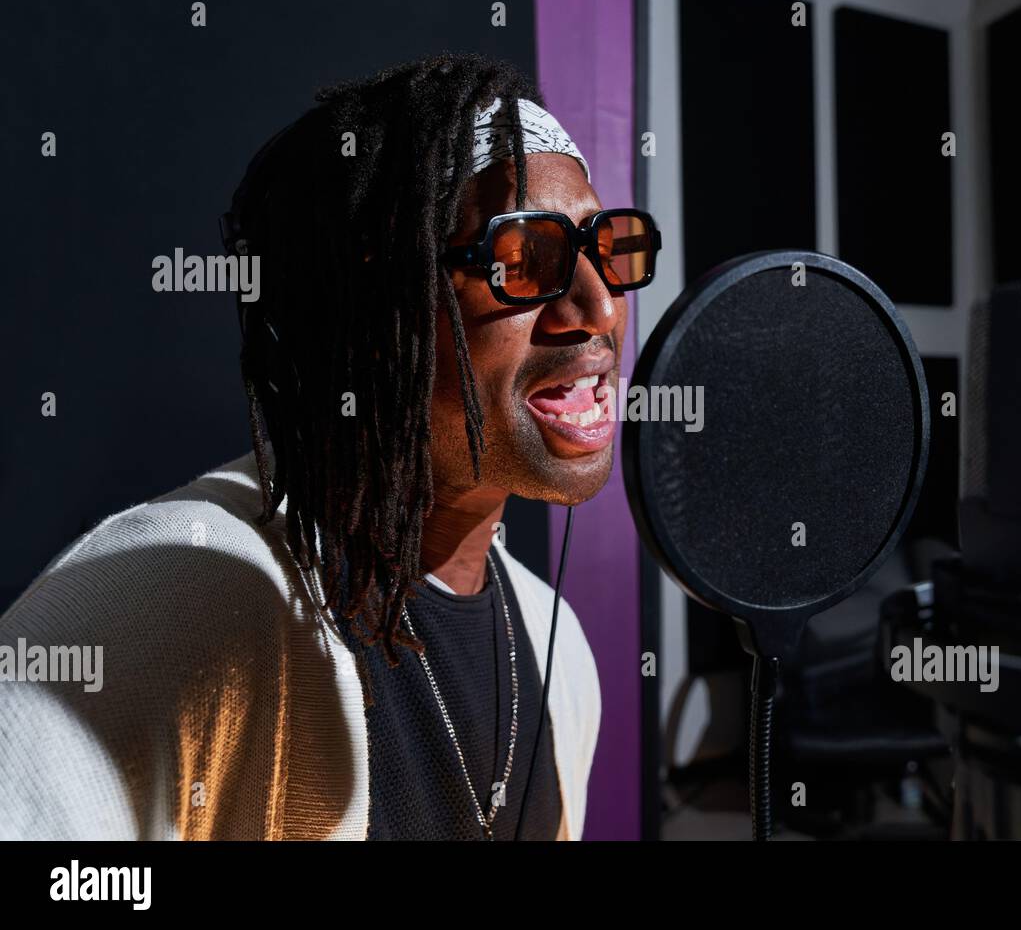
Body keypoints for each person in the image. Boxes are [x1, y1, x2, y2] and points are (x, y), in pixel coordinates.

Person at [0, 52, 661, 840]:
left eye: (604, 248)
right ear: (379, 312)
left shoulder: (561, 657)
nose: (598, 309)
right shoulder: (174, 593)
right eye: (525, 258)